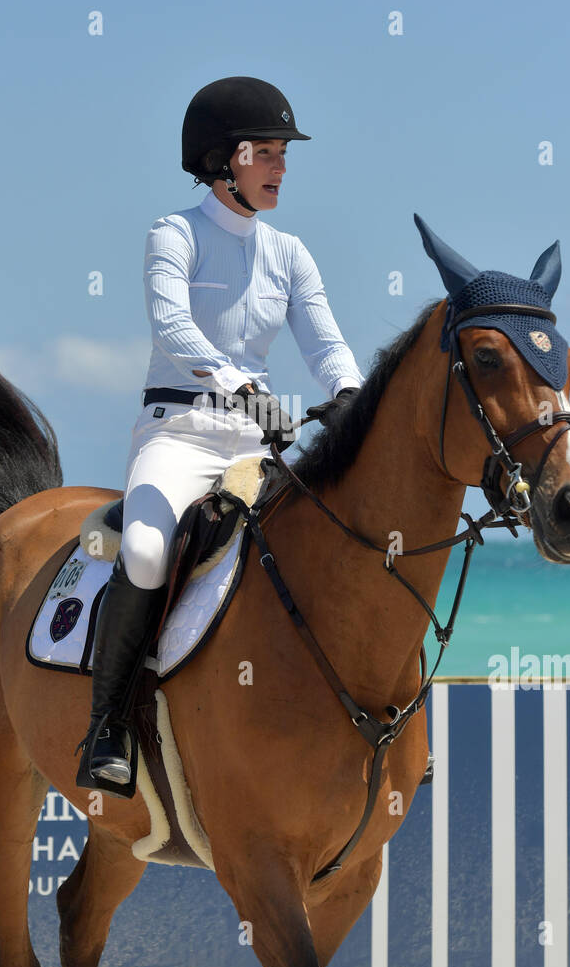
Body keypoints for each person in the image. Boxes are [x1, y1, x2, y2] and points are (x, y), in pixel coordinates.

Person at [75, 76, 365, 790]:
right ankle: (107, 726)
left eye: (282, 155)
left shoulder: (290, 254)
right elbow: (172, 329)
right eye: (267, 153)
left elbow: (325, 344)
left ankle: (360, 719)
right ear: (225, 159)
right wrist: (240, 386)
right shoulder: (173, 234)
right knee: (144, 552)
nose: (281, 169)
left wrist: (351, 394)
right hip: (177, 435)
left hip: (251, 446)